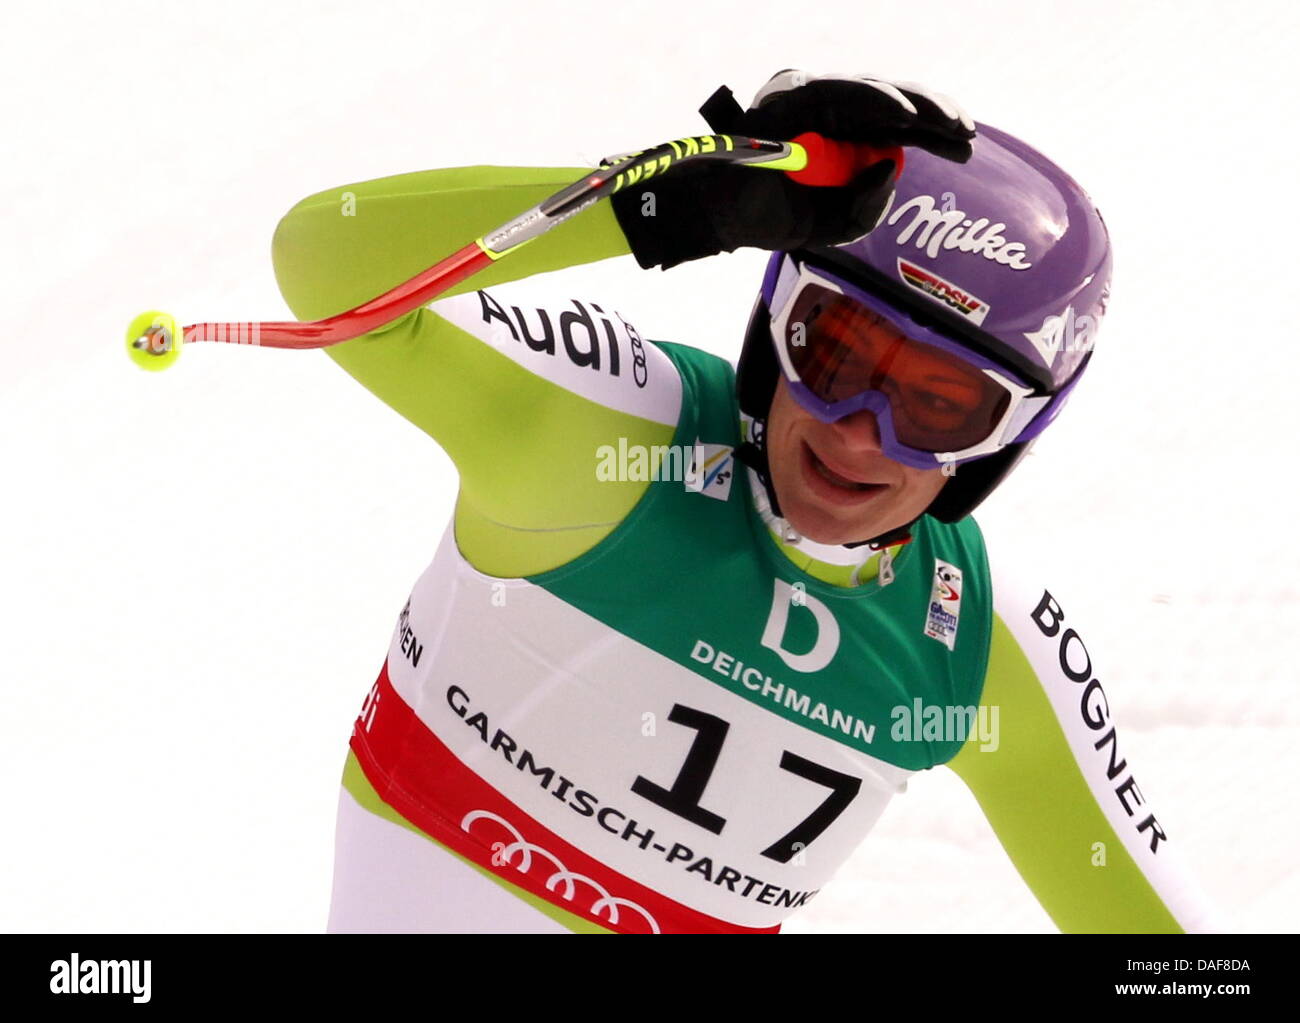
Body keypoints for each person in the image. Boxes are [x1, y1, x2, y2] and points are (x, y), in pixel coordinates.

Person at [270, 71, 1218, 934]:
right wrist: (663, 203)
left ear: (1005, 441)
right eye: (833, 353)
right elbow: (324, 266)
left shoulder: (978, 644)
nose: (856, 431)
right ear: (774, 318)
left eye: (936, 408)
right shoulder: (616, 437)